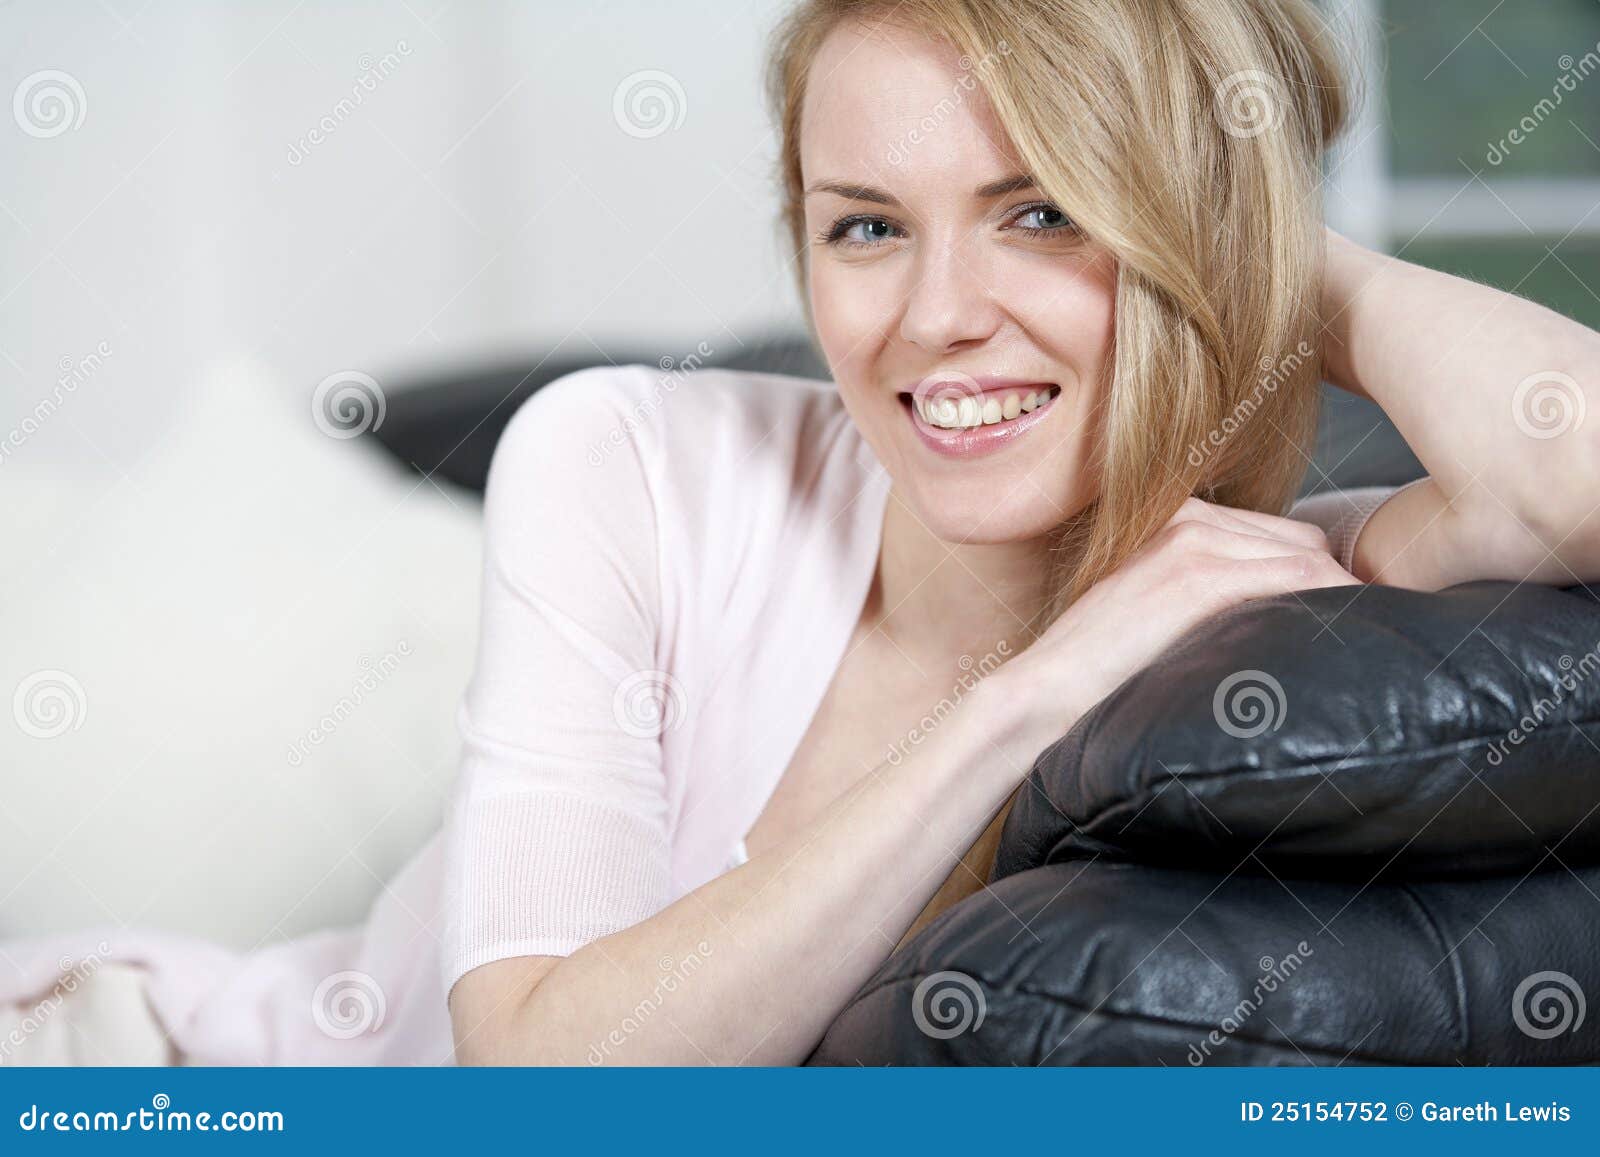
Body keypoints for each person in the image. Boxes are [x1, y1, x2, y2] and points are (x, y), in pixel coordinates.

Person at [443, 0, 1600, 1065]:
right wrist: (1028, 696)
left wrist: (1254, 246)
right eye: (865, 227)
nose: (937, 315)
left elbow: (1571, 471)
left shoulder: (1238, 570)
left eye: (1042, 212)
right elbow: (537, 1087)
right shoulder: (632, 459)